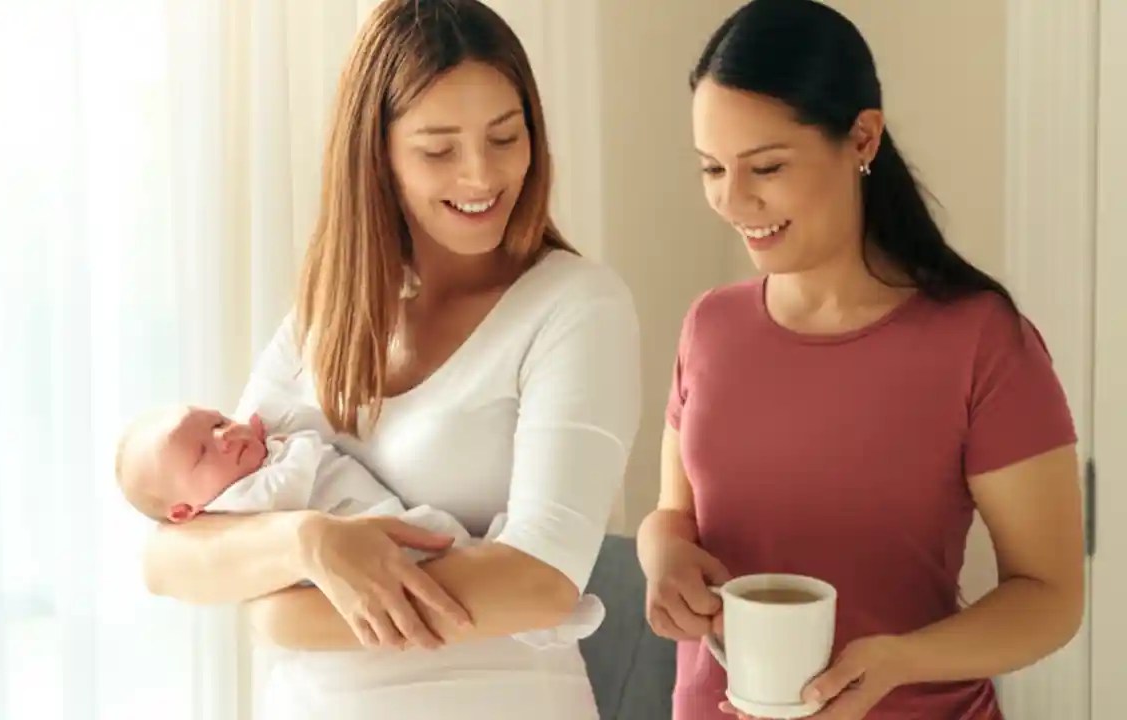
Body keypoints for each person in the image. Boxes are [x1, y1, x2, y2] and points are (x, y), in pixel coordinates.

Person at [139, 1, 642, 718]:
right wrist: (308, 542)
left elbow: (540, 581)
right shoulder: (329, 314)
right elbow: (170, 557)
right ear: (377, 154)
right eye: (439, 149)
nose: (481, 176)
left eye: (506, 136)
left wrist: (284, 614)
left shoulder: (576, 306)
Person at [636, 1, 1085, 719]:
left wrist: (899, 660)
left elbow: (1050, 597)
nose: (733, 198)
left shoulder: (982, 342)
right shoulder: (709, 326)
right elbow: (675, 514)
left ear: (862, 138)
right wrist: (659, 558)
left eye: (768, 166)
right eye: (712, 168)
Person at [113, 404, 607, 648]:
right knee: (441, 556)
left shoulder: (248, 471)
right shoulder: (245, 499)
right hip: (381, 552)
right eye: (203, 452)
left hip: (386, 545)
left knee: (464, 557)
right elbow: (160, 565)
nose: (225, 437)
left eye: (219, 421)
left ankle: (540, 622)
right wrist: (290, 446)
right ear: (184, 512)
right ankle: (541, 627)